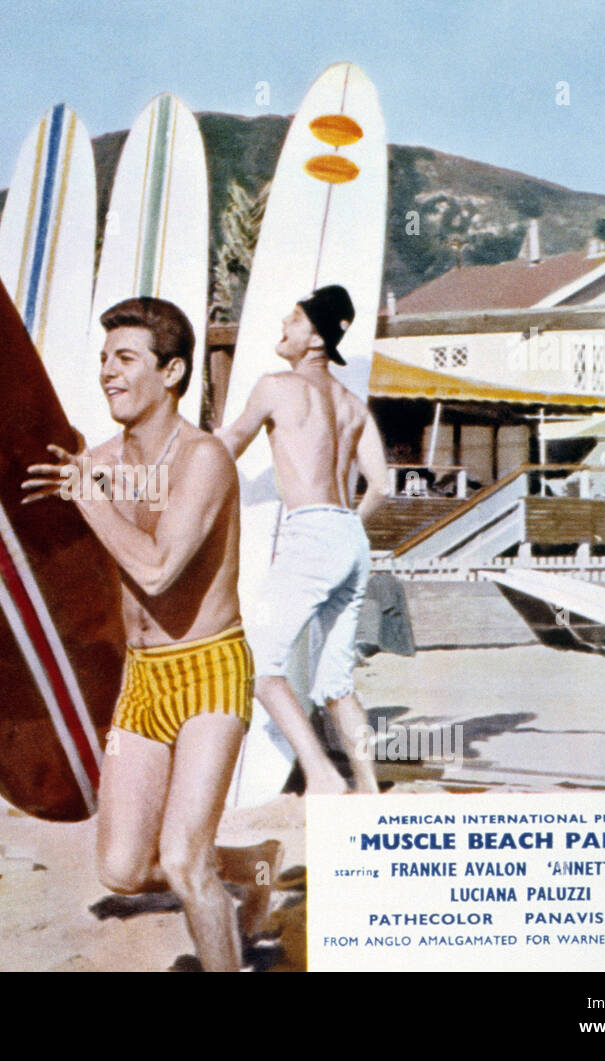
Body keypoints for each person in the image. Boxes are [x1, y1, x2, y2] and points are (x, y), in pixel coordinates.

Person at [22, 296, 280, 972]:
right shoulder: (95, 462)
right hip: (142, 678)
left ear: (172, 372)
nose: (108, 371)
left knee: (184, 860)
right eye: (105, 358)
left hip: (209, 668)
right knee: (124, 869)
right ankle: (253, 864)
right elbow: (37, 573)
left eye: (126, 358)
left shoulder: (204, 459)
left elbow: (159, 570)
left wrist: (88, 497)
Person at [215, 284, 389, 795]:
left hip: (312, 531)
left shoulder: (276, 387)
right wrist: (345, 524)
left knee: (256, 661)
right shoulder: (353, 405)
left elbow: (228, 443)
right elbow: (382, 486)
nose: (283, 326)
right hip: (350, 536)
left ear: (315, 338)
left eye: (293, 319)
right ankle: (369, 789)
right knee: (336, 680)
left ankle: (322, 775)